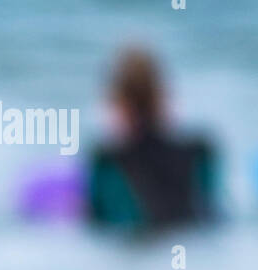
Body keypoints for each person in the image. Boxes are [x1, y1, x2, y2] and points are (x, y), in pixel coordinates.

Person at [88, 48, 218, 231]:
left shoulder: (106, 161)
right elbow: (211, 213)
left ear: (118, 103)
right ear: (162, 97)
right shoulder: (199, 151)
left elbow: (96, 221)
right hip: (189, 240)